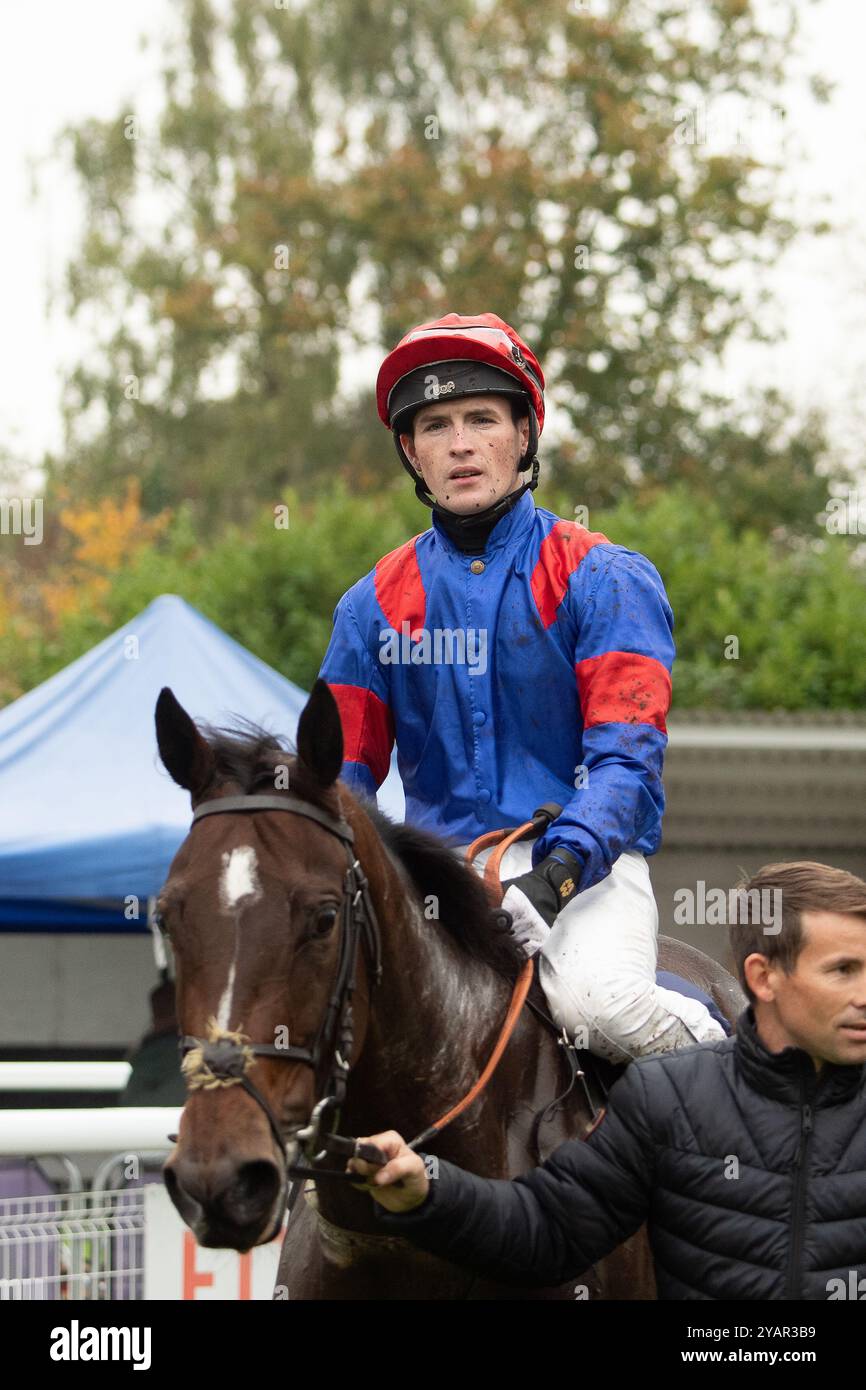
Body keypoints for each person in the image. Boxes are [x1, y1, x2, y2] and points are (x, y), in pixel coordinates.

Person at [318, 312, 726, 1062]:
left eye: (481, 418)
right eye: (436, 427)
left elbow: (625, 764)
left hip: (584, 870)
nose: (461, 443)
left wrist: (555, 878)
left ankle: (740, 1075)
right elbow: (342, 780)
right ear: (412, 452)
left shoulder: (603, 576)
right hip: (434, 877)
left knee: (601, 1011)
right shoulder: (368, 606)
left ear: (524, 435)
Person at [346, 861, 866, 1300]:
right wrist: (428, 1189)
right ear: (762, 977)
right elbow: (548, 1230)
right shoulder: (666, 1098)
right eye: (844, 971)